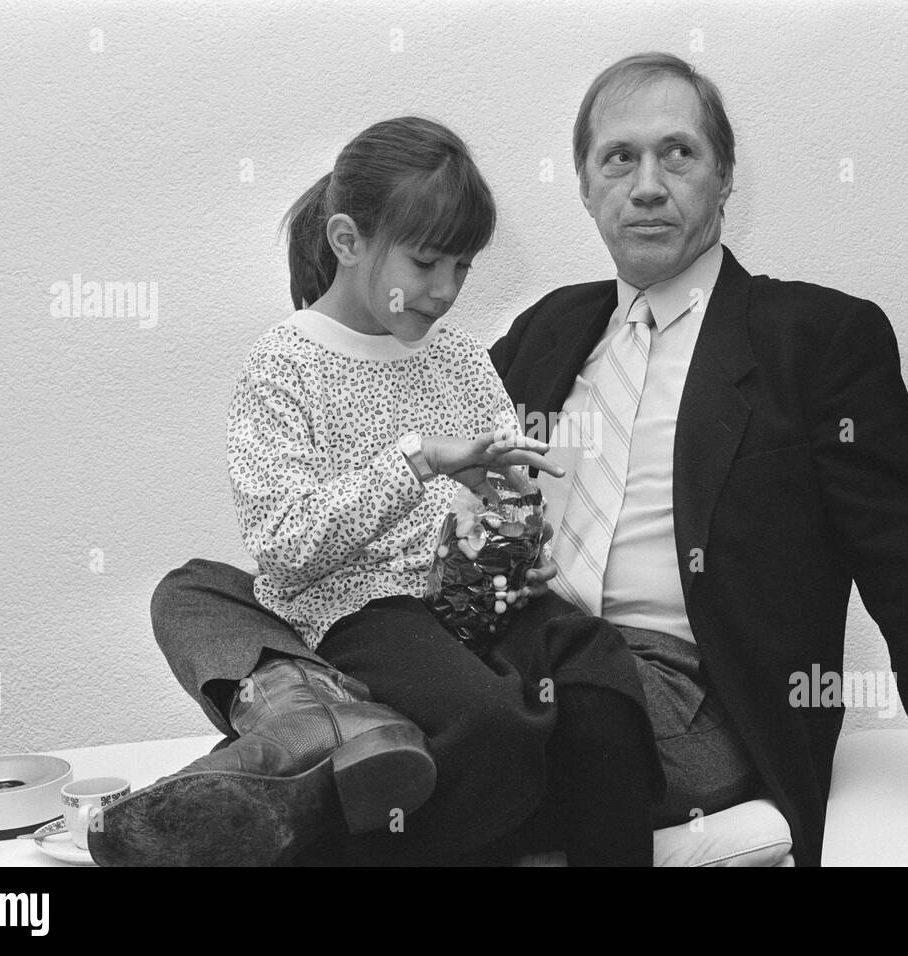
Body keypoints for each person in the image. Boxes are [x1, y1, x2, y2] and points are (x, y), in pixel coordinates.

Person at [486, 51, 908, 867]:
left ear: (725, 176)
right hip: (529, 660)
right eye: (618, 158)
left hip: (703, 701)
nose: (646, 185)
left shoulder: (815, 339)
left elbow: (907, 567)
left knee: (468, 754)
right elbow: (457, 497)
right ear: (584, 185)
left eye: (679, 153)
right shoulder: (544, 330)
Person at [89, 116, 662, 868]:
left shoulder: (458, 359)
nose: (447, 290)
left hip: (466, 603)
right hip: (360, 606)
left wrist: (510, 531)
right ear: (348, 241)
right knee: (489, 722)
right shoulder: (283, 365)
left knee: (602, 683)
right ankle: (312, 828)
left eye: (462, 267)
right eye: (427, 263)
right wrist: (418, 461)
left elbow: (503, 501)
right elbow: (285, 550)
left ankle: (319, 795)